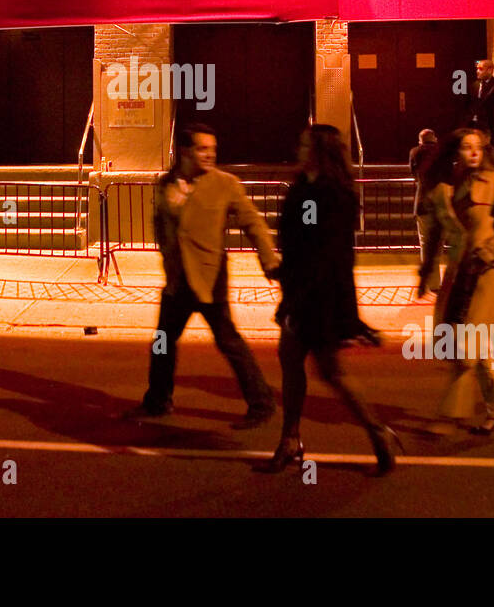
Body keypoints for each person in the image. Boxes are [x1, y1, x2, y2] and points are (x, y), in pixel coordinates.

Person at [258, 125, 404, 475]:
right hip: (305, 288)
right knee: (295, 362)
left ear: (320, 150)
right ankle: (291, 438)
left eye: (305, 143)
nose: (298, 147)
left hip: (317, 295)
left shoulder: (327, 193)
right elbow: (302, 243)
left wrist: (296, 295)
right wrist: (285, 271)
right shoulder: (308, 187)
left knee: (329, 371)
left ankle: (376, 430)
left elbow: (324, 251)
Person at [125, 124, 279, 428]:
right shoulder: (165, 184)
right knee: (163, 342)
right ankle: (157, 401)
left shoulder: (226, 184)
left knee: (228, 342)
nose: (210, 155)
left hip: (209, 280)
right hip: (178, 281)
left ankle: (262, 404)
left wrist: (269, 259)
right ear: (185, 151)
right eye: (202, 149)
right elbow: (161, 224)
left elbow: (253, 223)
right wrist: (167, 257)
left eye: (213, 149)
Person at [426, 128, 494, 434]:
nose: (473, 152)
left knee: (466, 344)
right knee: (465, 343)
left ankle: (450, 417)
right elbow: (436, 232)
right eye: (466, 147)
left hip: (483, 272)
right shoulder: (445, 186)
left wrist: (489, 251)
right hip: (456, 272)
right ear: (455, 152)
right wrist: (425, 270)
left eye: (477, 147)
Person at [409, 128, 443, 303]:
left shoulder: (415, 152)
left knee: (425, 243)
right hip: (441, 203)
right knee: (439, 244)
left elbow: (414, 174)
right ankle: (438, 282)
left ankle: (431, 281)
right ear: (434, 138)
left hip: (422, 202)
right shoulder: (442, 151)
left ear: (420, 140)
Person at [466, 59, 494, 167]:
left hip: (489, 126)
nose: (477, 71)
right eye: (477, 69)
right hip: (474, 125)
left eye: (480, 69)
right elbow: (470, 106)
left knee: (489, 152)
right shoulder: (474, 85)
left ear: (490, 70)